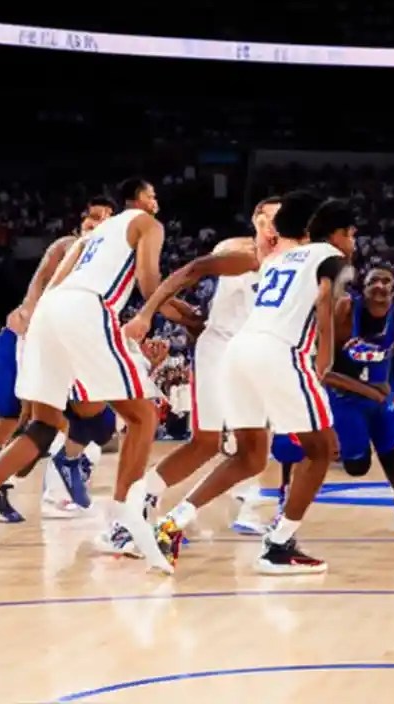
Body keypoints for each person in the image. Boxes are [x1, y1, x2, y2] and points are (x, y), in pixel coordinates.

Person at [0, 178, 188, 568]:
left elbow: (53, 284)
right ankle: (125, 520)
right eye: (152, 195)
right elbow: (149, 282)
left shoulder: (89, 237)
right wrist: (188, 316)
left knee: (43, 424)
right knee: (142, 416)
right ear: (139, 199)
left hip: (48, 313)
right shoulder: (145, 222)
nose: (156, 202)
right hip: (87, 308)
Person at [138, 194, 355, 575]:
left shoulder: (273, 260)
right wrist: (326, 356)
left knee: (250, 455)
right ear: (335, 234)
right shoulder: (329, 256)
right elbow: (326, 298)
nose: (353, 243)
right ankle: (279, 544)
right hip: (280, 353)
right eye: (351, 235)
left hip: (238, 353)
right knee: (322, 450)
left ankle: (170, 524)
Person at [0, 195, 115, 523]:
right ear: (80, 221)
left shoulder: (102, 262)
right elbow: (40, 279)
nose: (96, 223)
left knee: (33, 423)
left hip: (49, 342)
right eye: (92, 217)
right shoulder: (69, 245)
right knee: (24, 421)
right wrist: (29, 306)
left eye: (104, 219)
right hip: (25, 337)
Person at [136, 195, 284, 535]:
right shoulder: (237, 249)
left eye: (281, 219)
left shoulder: (292, 259)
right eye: (268, 218)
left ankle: (175, 519)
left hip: (257, 356)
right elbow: (197, 270)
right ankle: (136, 504)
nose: (274, 225)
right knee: (205, 443)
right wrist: (149, 313)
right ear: (256, 220)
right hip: (222, 348)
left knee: (255, 456)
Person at [325, 267, 394, 535]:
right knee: (357, 467)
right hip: (345, 395)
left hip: (381, 395)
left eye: (386, 281)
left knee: (391, 452)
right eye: (373, 281)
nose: (380, 285)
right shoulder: (346, 310)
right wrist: (368, 390)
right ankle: (337, 446)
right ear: (363, 287)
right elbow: (323, 369)